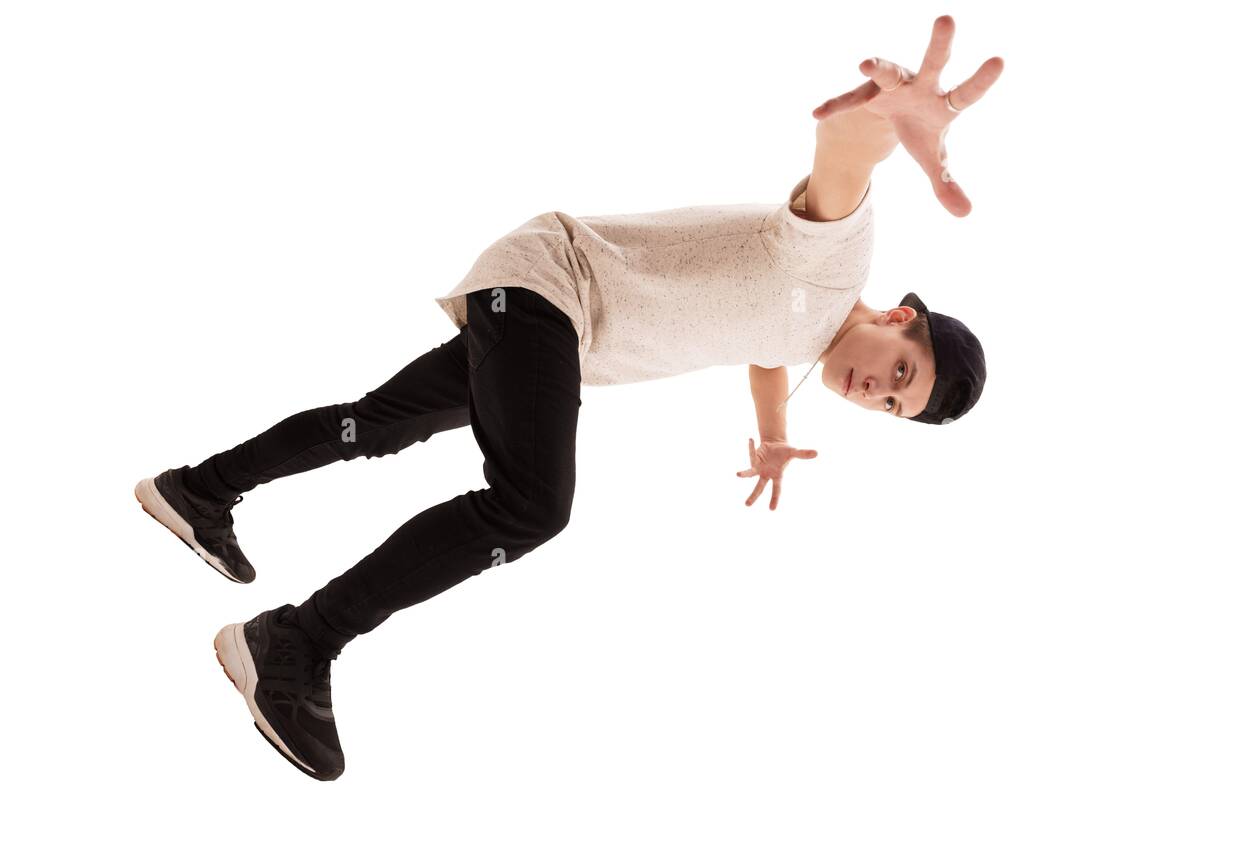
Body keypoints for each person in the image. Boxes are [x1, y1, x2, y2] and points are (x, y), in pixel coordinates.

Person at [135, 16, 1002, 781]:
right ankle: (295, 641)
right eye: (898, 369)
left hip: (534, 302)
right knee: (533, 507)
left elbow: (768, 353)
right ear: (899, 316)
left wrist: (773, 435)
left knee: (378, 424)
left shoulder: (806, 334)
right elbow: (841, 157)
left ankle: (199, 489)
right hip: (553, 295)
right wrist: (891, 116)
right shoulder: (839, 258)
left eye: (892, 406)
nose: (875, 390)